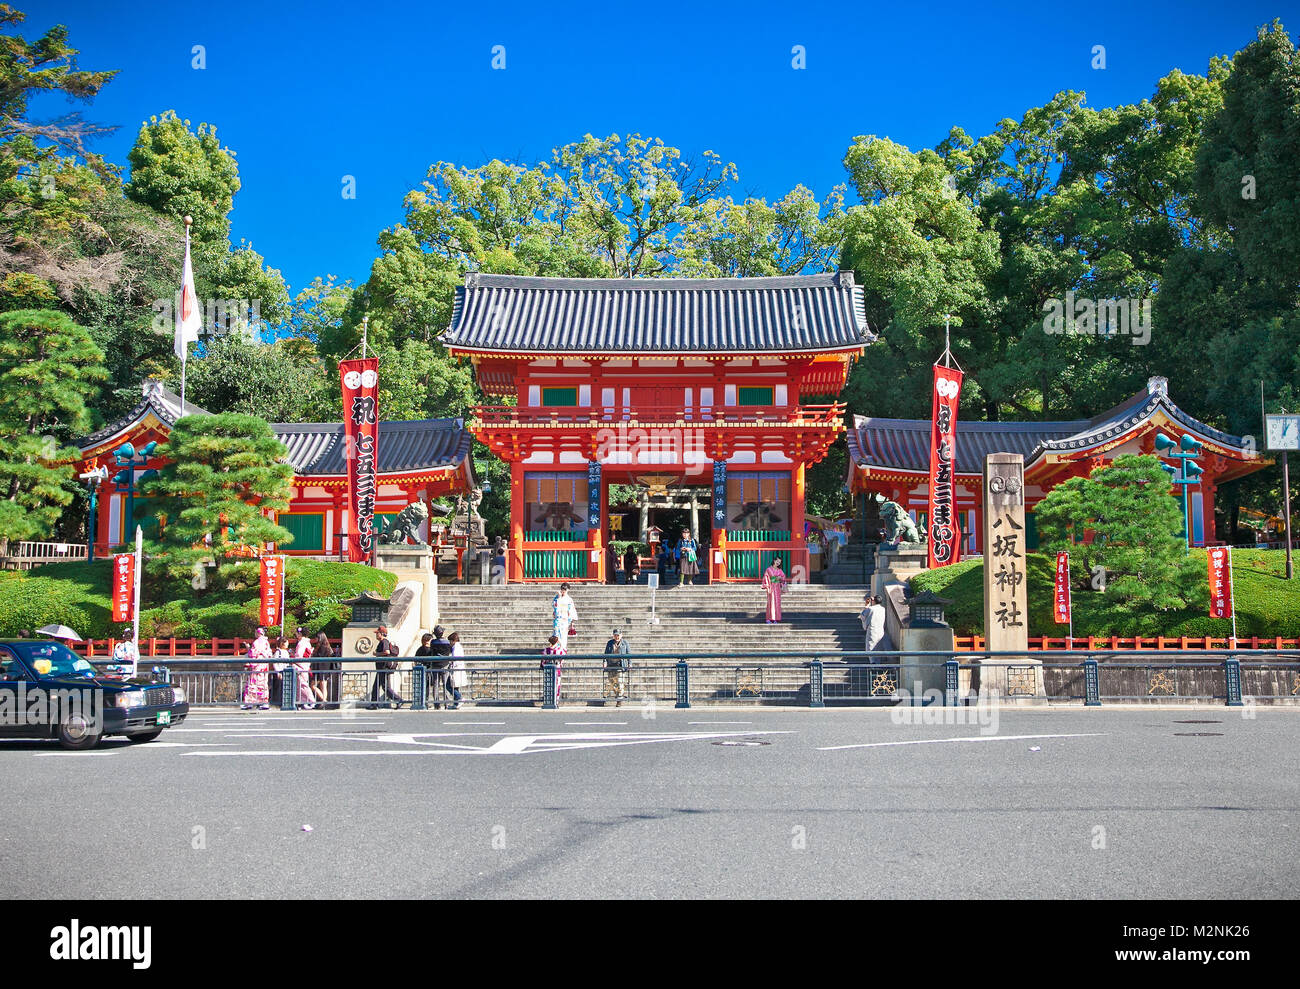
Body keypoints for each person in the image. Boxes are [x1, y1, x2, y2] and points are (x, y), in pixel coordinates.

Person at [369, 625, 404, 708]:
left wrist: (376, 654)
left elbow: (387, 652)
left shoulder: (384, 642)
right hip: (382, 668)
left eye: (377, 633)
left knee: (384, 687)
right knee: (378, 686)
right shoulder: (383, 642)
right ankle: (374, 704)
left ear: (382, 633)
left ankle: (398, 700)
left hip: (384, 668)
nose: (376, 635)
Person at [242, 627, 273, 710]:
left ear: (259, 632)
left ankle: (250, 702)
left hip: (257, 665)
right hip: (264, 665)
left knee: (253, 684)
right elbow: (269, 654)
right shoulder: (266, 642)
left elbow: (253, 654)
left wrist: (248, 648)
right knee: (263, 684)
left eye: (256, 632)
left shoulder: (256, 642)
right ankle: (264, 702)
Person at [310, 632, 336, 706]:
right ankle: (324, 700)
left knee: (313, 685)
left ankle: (323, 700)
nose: (315, 639)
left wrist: (313, 653)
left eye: (316, 638)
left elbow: (317, 657)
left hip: (320, 669)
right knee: (323, 685)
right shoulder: (328, 647)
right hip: (326, 669)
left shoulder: (321, 647)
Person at [603, 627, 629, 701]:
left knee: (620, 682)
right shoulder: (610, 643)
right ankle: (618, 695)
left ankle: (619, 698)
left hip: (620, 665)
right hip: (611, 665)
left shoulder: (625, 643)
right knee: (612, 682)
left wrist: (629, 663)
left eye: (618, 635)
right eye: (615, 635)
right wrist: (605, 662)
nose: (617, 637)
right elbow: (605, 653)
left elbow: (628, 653)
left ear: (621, 635)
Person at [550, 583, 577, 652]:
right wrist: (559, 598)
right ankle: (556, 649)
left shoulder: (569, 599)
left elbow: (572, 610)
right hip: (558, 619)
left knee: (563, 636)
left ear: (568, 590)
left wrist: (572, 622)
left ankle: (562, 649)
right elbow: (554, 606)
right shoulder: (557, 597)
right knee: (556, 634)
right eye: (562, 589)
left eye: (565, 590)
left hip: (565, 620)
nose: (563, 591)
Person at [761, 556, 787, 624]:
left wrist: (780, 578)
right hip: (771, 587)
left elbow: (783, 577)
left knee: (777, 603)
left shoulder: (780, 570)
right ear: (774, 561)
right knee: (771, 603)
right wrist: (767, 586)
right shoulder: (769, 569)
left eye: (779, 562)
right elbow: (766, 577)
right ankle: (768, 618)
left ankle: (775, 618)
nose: (778, 563)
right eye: (777, 561)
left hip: (777, 588)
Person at [542, 634, 566, 700]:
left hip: (548, 669)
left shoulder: (546, 650)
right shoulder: (559, 650)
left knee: (548, 684)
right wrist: (560, 644)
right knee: (557, 684)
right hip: (557, 668)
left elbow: (543, 660)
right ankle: (556, 699)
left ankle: (548, 698)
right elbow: (564, 653)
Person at [447, 631, 467, 710]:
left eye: (450, 641)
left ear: (453, 640)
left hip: (456, 669)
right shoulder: (458, 647)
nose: (450, 643)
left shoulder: (456, 647)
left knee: (448, 686)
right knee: (455, 687)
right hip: (457, 669)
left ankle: (459, 698)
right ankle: (456, 703)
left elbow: (456, 659)